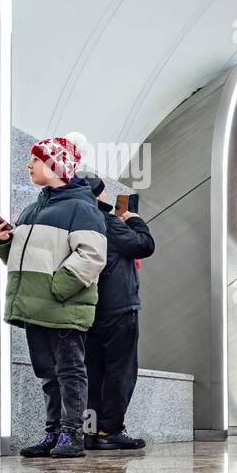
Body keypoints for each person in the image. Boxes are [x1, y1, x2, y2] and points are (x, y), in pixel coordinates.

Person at [0, 138, 106, 459]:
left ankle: (72, 434)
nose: (29, 166)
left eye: (35, 160)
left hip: (63, 307)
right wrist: (3, 241)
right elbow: (24, 260)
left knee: (69, 370)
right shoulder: (32, 209)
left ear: (56, 165)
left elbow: (92, 256)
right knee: (47, 372)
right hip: (35, 307)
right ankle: (53, 432)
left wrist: (57, 289)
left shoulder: (82, 208)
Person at [84, 179, 155, 450]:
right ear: (98, 195)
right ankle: (110, 431)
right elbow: (144, 245)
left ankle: (90, 430)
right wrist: (135, 220)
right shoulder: (109, 223)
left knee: (92, 372)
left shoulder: (82, 220)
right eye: (103, 190)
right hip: (118, 307)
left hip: (89, 308)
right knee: (120, 372)